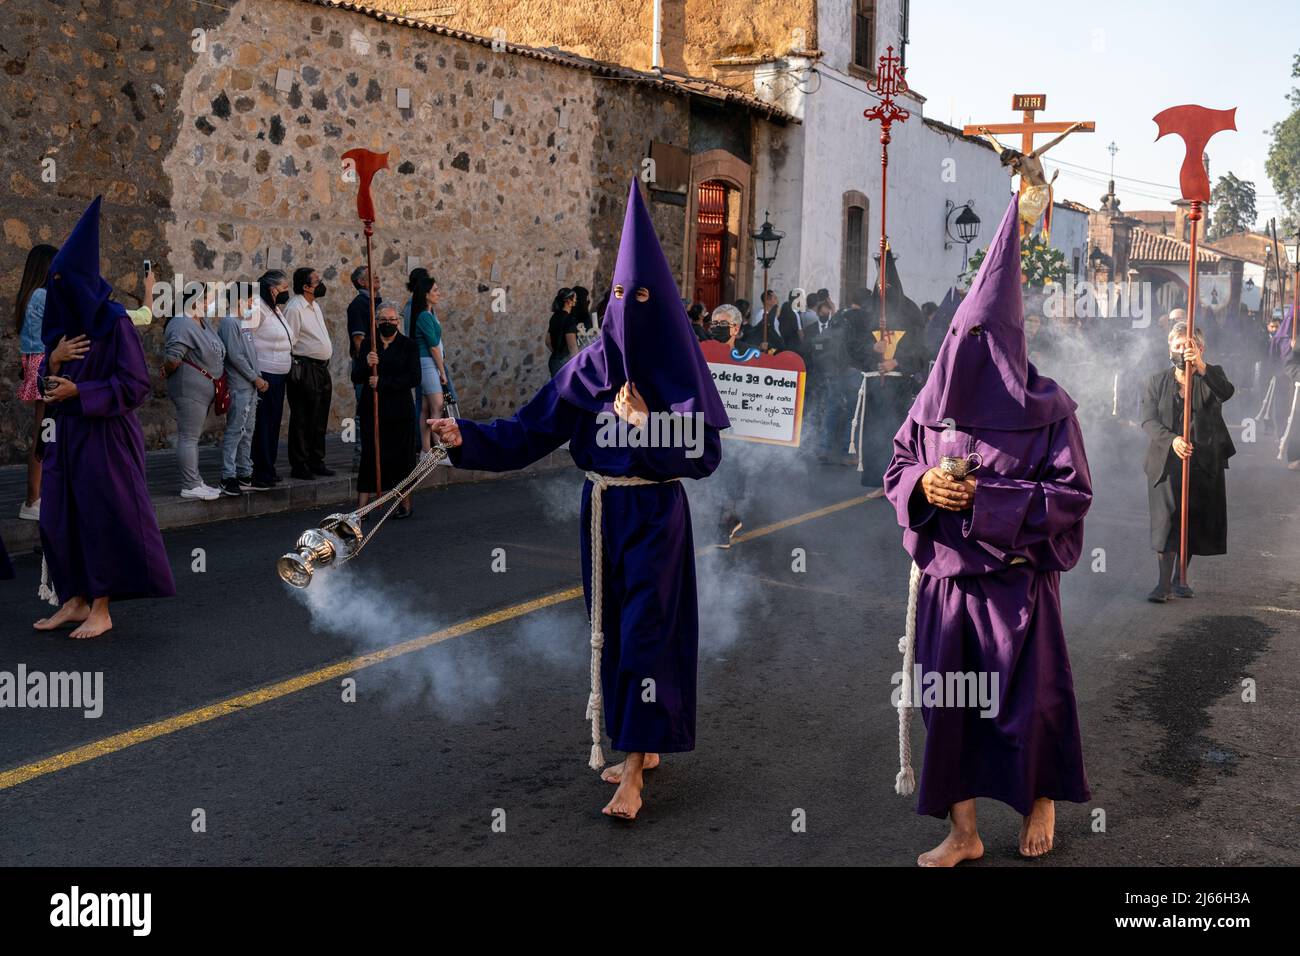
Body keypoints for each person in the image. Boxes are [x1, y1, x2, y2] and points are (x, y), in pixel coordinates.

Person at [428, 180, 728, 820]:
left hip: (655, 514)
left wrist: (649, 424)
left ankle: (635, 773)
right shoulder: (590, 368)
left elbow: (704, 456)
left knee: (648, 631)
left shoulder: (679, 367)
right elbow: (529, 431)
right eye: (620, 296)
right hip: (601, 513)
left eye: (641, 297)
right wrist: (465, 437)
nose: (629, 308)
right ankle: (636, 744)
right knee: (610, 632)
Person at [883, 195, 1092, 865]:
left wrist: (981, 498)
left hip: (1018, 589)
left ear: (1007, 345)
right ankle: (964, 832)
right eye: (958, 338)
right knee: (947, 713)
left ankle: (1039, 801)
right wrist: (924, 485)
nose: (967, 353)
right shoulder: (930, 407)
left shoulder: (1050, 411)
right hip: (948, 588)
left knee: (1027, 706)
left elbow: (1071, 494)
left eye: (983, 341)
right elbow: (897, 467)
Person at [32, 196, 176, 638]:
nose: (60, 291)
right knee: (58, 517)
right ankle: (72, 599)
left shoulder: (115, 324)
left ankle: (101, 606)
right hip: (65, 436)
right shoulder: (60, 330)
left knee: (101, 517)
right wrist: (52, 364)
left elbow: (135, 386)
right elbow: (42, 384)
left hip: (106, 437)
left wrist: (83, 390)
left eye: (65, 283)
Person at [1140, 321, 1235, 601]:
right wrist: (1172, 440)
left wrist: (1202, 367)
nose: (1182, 350)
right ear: (1169, 347)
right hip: (1166, 460)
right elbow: (1147, 420)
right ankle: (1163, 584)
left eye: (1188, 345)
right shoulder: (1156, 381)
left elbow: (1226, 392)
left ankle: (1180, 577)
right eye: (1177, 345)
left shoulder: (1212, 375)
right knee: (1167, 519)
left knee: (1192, 518)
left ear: (1200, 348)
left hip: (1203, 459)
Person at [353, 302, 421, 519]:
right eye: (384, 320)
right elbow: (356, 376)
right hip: (372, 409)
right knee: (371, 455)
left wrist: (383, 382)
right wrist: (366, 363)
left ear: (398, 322)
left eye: (393, 320)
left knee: (402, 457)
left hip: (399, 410)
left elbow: (414, 377)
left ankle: (404, 503)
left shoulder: (408, 345)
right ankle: (362, 508)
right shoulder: (368, 345)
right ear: (376, 322)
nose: (389, 324)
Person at [162, 284, 226, 500]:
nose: (209, 303)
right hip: (188, 389)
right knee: (188, 437)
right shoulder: (181, 323)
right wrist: (168, 369)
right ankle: (189, 485)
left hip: (204, 389)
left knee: (193, 436)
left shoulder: (200, 321)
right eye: (204, 299)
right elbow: (172, 358)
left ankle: (196, 481)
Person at [15, 243, 58, 521]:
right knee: (44, 436)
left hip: (35, 364)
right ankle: (33, 499)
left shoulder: (29, 295)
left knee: (45, 433)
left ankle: (39, 496)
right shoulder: (43, 295)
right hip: (44, 366)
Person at [284, 267, 334, 480]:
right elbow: (289, 341)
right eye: (317, 280)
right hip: (306, 368)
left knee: (319, 417)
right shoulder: (295, 308)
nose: (321, 283)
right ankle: (300, 464)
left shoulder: (315, 306)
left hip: (321, 368)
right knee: (303, 417)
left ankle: (316, 460)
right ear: (305, 286)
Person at [217, 293, 268, 495]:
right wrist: (254, 378)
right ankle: (227, 476)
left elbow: (250, 353)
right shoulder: (230, 323)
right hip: (240, 386)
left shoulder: (243, 322)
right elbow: (236, 356)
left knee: (247, 433)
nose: (252, 304)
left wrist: (258, 377)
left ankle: (244, 473)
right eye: (248, 300)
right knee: (235, 431)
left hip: (251, 386)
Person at [248, 270, 294, 489]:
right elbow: (245, 339)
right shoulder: (257, 307)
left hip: (279, 375)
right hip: (265, 375)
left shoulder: (274, 308)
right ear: (272, 288)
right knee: (264, 424)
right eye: (284, 288)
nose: (287, 292)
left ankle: (269, 467)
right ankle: (260, 470)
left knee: (274, 423)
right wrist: (254, 374)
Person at [346, 265, 380, 471]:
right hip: (366, 366)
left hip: (379, 364)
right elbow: (359, 339)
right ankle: (361, 457)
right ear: (361, 281)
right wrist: (368, 364)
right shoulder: (358, 305)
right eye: (371, 275)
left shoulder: (379, 303)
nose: (377, 277)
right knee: (364, 411)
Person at [547, 287, 579, 376]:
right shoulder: (569, 319)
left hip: (553, 361)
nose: (575, 301)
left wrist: (557, 353)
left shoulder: (554, 317)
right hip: (564, 363)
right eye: (575, 298)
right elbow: (572, 345)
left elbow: (548, 341)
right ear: (569, 301)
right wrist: (577, 364)